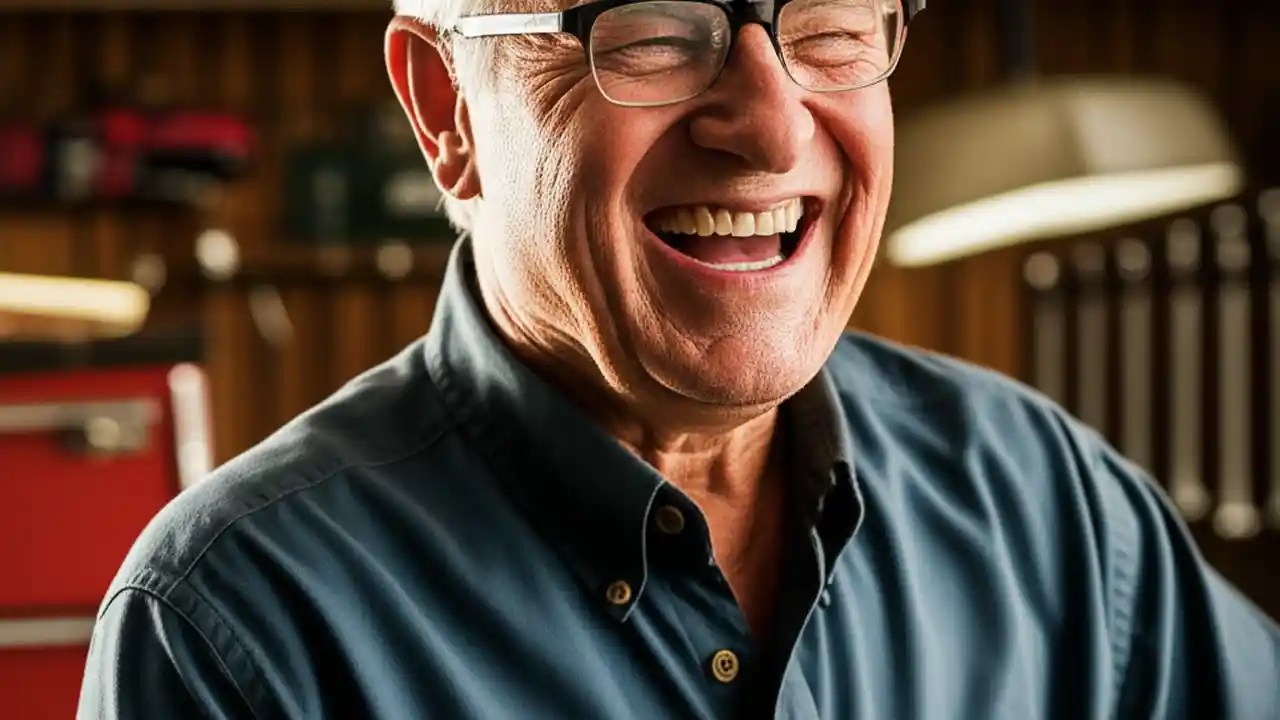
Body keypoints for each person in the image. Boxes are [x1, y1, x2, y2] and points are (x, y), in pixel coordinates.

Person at [79, 0, 1279, 717]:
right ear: (447, 108)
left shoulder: (1046, 507)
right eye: (648, 32)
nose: (768, 124)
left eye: (827, 25)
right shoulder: (238, 625)